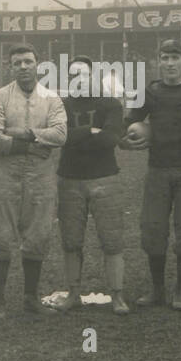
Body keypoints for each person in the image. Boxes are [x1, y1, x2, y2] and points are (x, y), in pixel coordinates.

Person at [123, 39, 181, 311]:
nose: (170, 63)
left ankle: (180, 290)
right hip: (158, 171)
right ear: (159, 61)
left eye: (175, 57)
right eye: (165, 57)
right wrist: (125, 138)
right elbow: (129, 120)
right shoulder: (150, 92)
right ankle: (158, 290)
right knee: (153, 230)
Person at [0, 44, 68, 316]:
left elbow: (60, 135)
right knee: (1, 236)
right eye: (17, 62)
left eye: (27, 62)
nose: (23, 67)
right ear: (10, 66)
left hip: (40, 176)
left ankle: (30, 298)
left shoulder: (52, 98)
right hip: (6, 175)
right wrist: (30, 145)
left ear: (37, 64)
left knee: (38, 235)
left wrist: (23, 132)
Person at [53, 56, 128, 314]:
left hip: (105, 177)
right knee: (71, 240)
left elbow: (110, 138)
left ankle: (117, 295)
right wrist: (89, 131)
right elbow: (59, 138)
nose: (79, 79)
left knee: (111, 239)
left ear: (93, 75)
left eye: (83, 74)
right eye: (74, 75)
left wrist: (76, 137)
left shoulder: (110, 103)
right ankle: (73, 293)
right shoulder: (60, 104)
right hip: (69, 179)